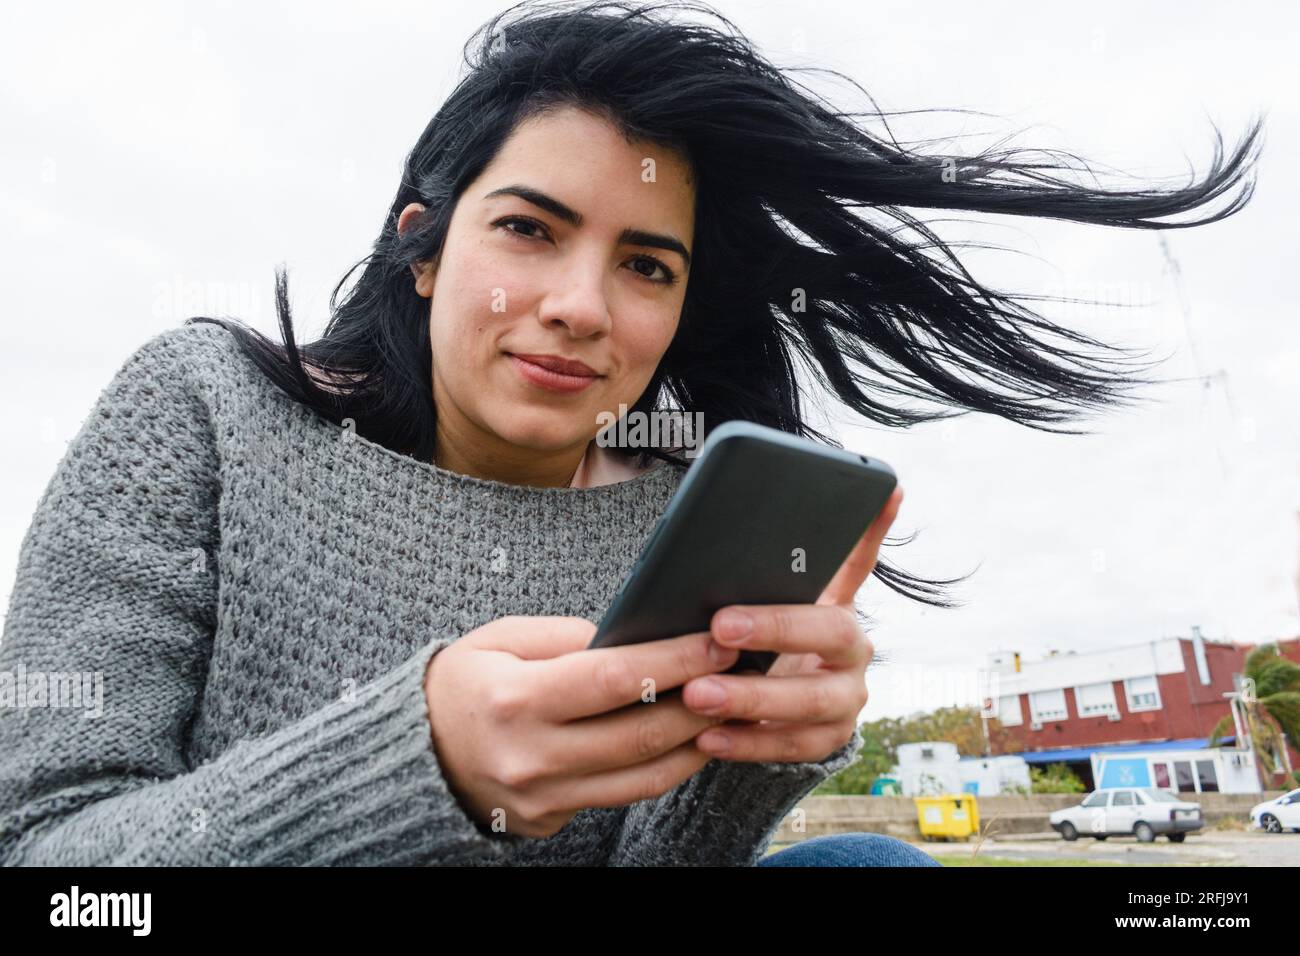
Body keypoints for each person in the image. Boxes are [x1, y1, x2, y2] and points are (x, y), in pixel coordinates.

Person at [0, 0, 1259, 867]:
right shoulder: (206, 409)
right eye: (528, 228)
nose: (581, 307)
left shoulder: (674, 517)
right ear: (422, 246)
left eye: (647, 265)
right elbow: (51, 862)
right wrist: (413, 757)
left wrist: (745, 739)